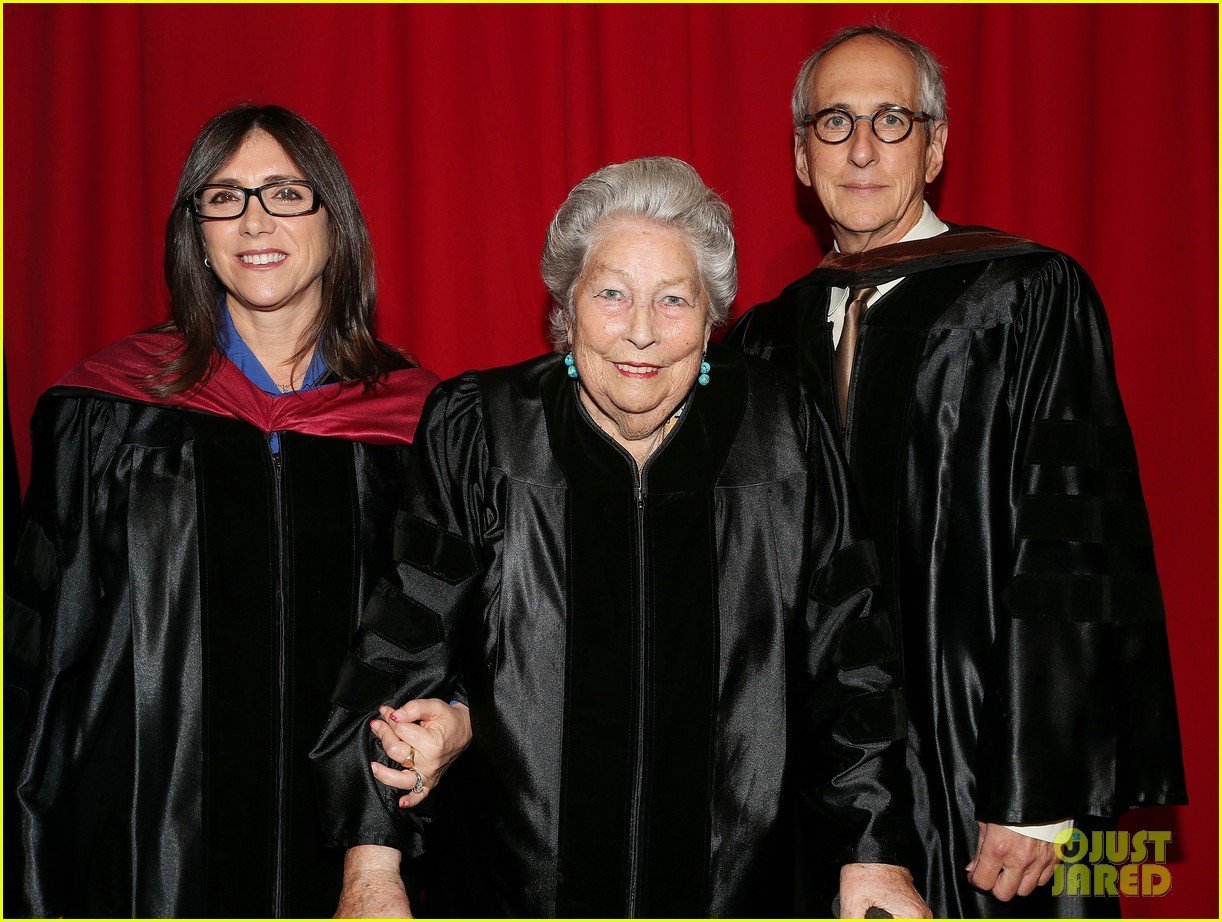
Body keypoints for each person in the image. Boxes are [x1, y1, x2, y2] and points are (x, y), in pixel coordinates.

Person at [311, 156, 931, 918]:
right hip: (516, 889)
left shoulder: (783, 434)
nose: (641, 332)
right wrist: (374, 868)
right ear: (566, 307)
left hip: (737, 891)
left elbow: (851, 659)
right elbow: (404, 647)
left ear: (712, 317)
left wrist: (874, 856)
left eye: (673, 299)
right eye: (610, 294)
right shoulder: (483, 429)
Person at [725, 26, 1187, 918]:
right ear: (799, 152)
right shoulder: (764, 338)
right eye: (835, 122)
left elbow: (1069, 546)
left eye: (893, 120)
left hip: (985, 757)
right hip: (821, 780)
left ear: (935, 146)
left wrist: (1040, 790)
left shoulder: (1029, 297)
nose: (861, 149)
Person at [7, 104, 450, 918]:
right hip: (143, 850)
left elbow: (451, 646)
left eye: (286, 193)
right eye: (223, 197)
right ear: (196, 234)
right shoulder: (104, 412)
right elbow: (38, 661)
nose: (253, 220)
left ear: (333, 220)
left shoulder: (418, 426)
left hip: (351, 861)